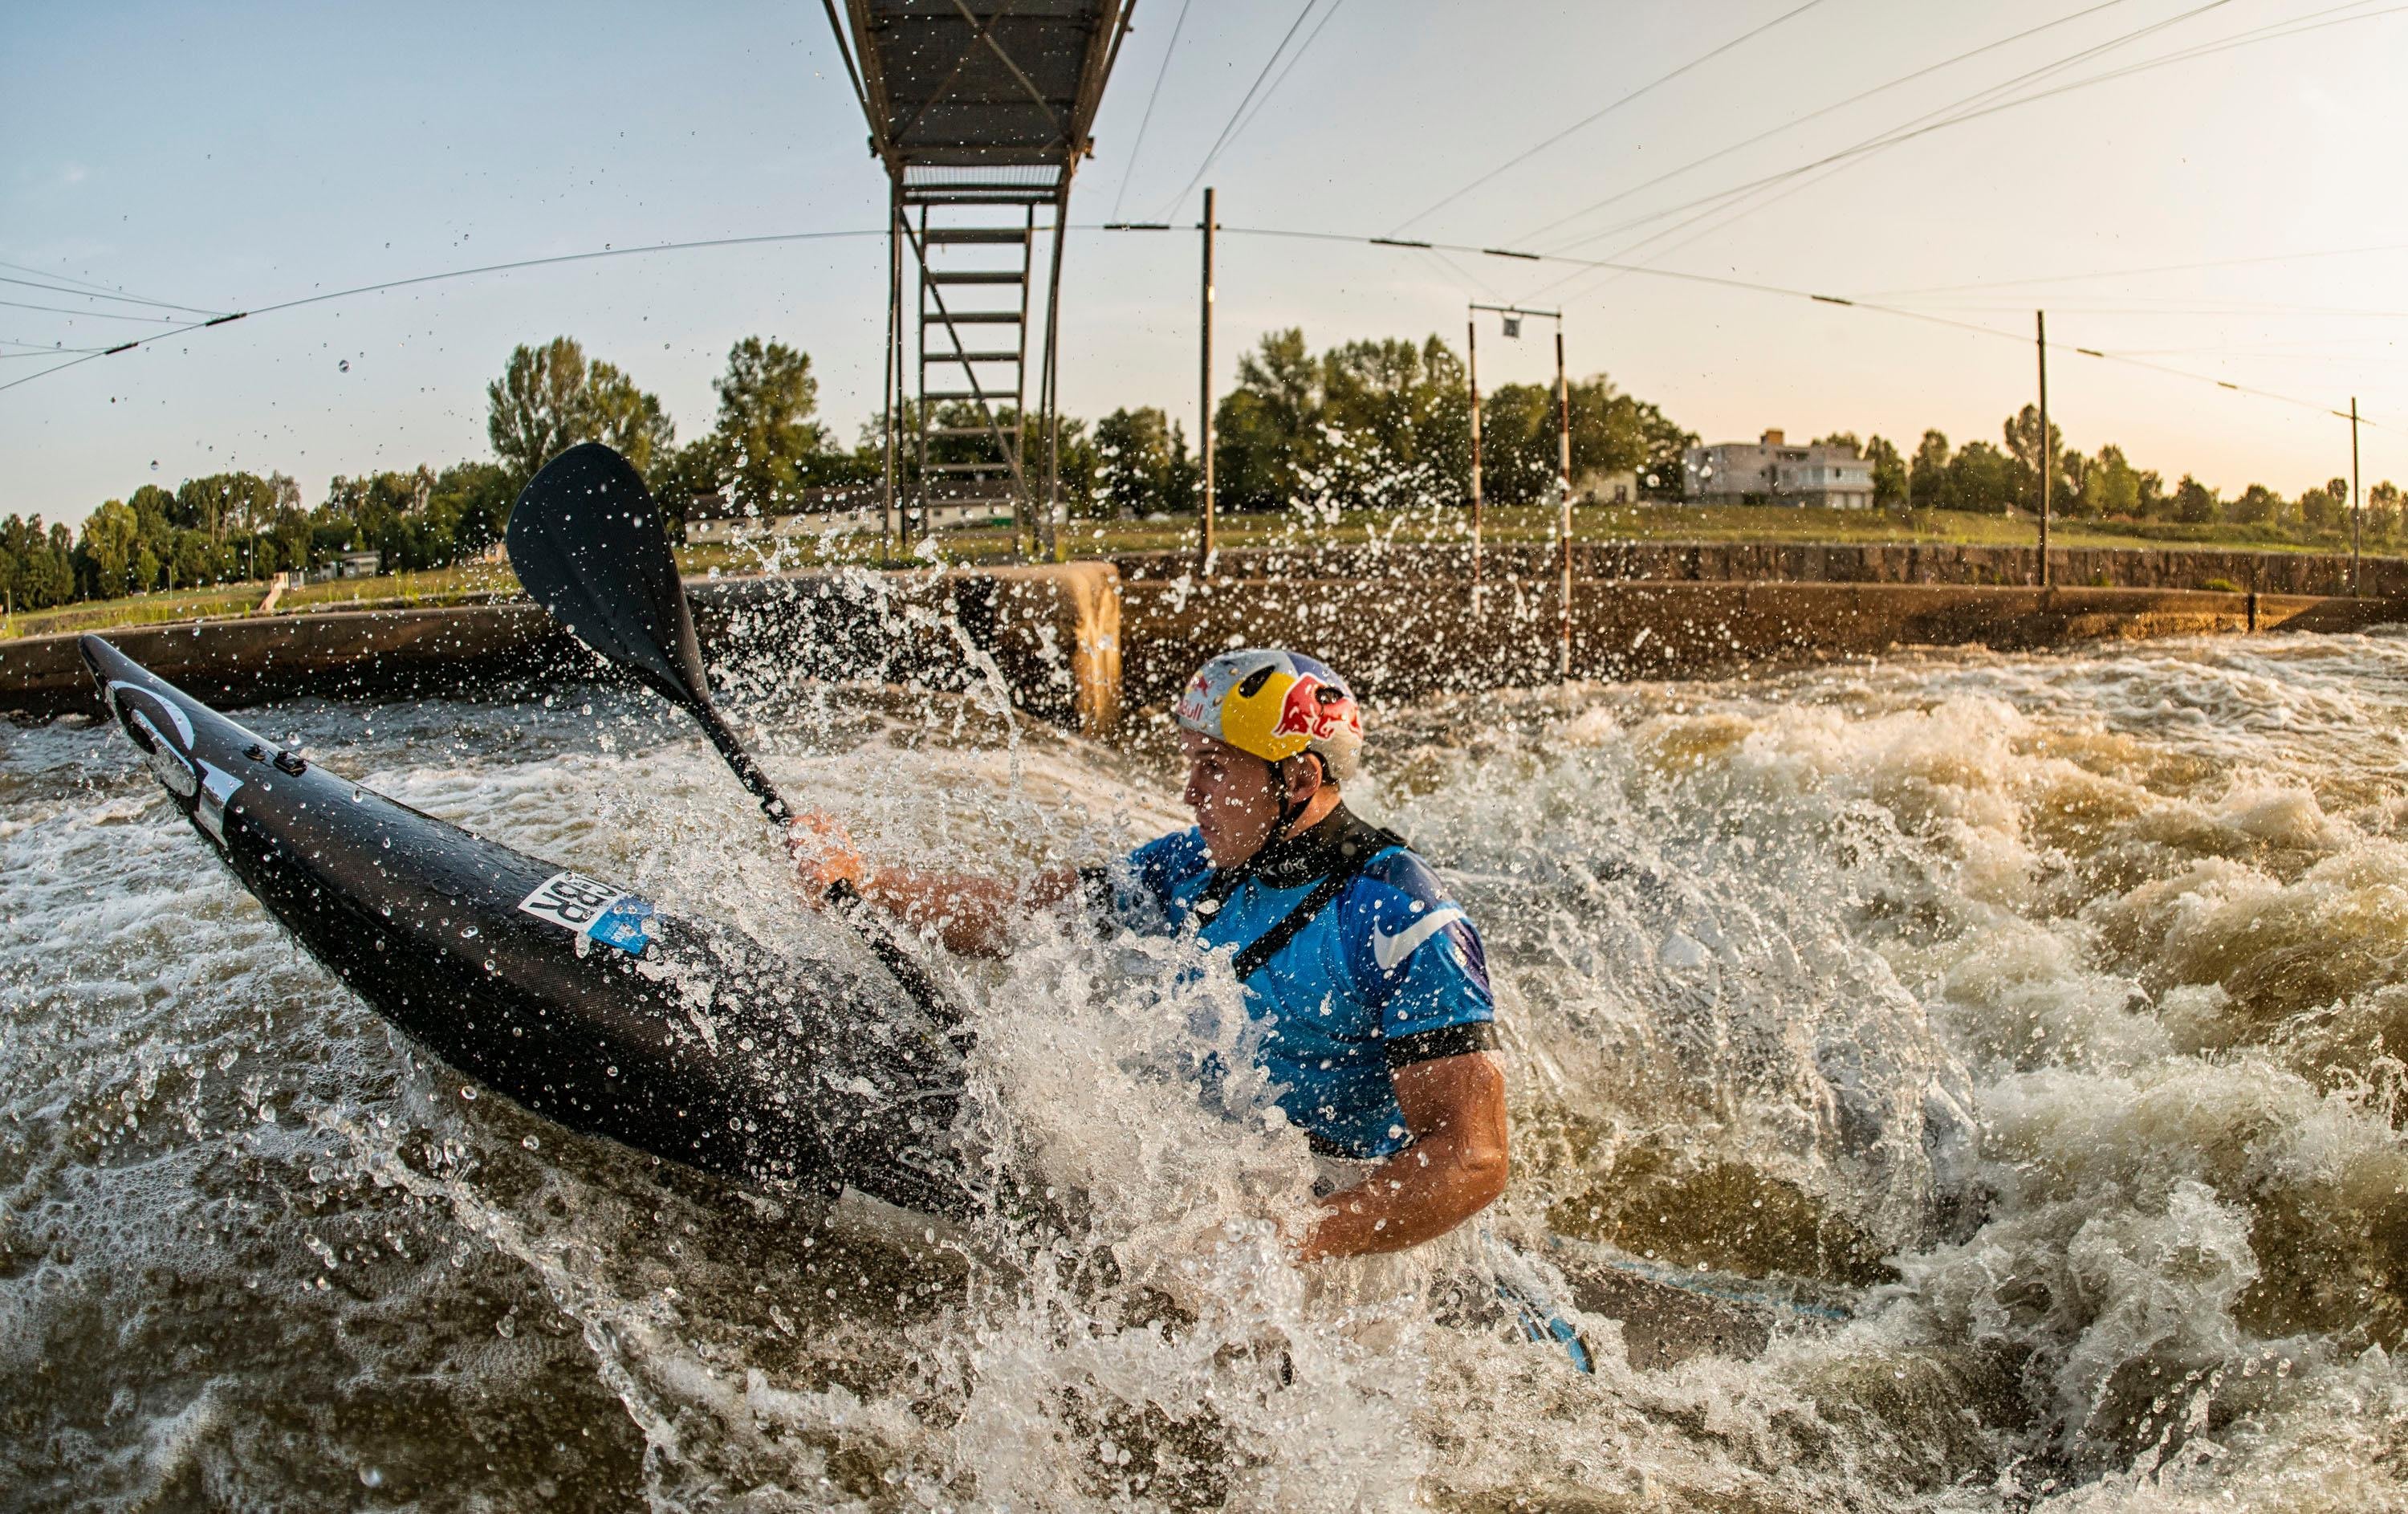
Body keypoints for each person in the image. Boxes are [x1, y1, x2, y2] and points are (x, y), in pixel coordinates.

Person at [788, 648, 1507, 1263]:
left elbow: (1471, 1158)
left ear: (1297, 780)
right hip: (1219, 1178)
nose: (1190, 792)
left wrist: (1282, 1242)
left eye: (1215, 768)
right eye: (1192, 764)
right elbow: (1024, 916)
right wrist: (865, 881)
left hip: (1345, 1224)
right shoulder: (1192, 864)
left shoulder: (1401, 917)